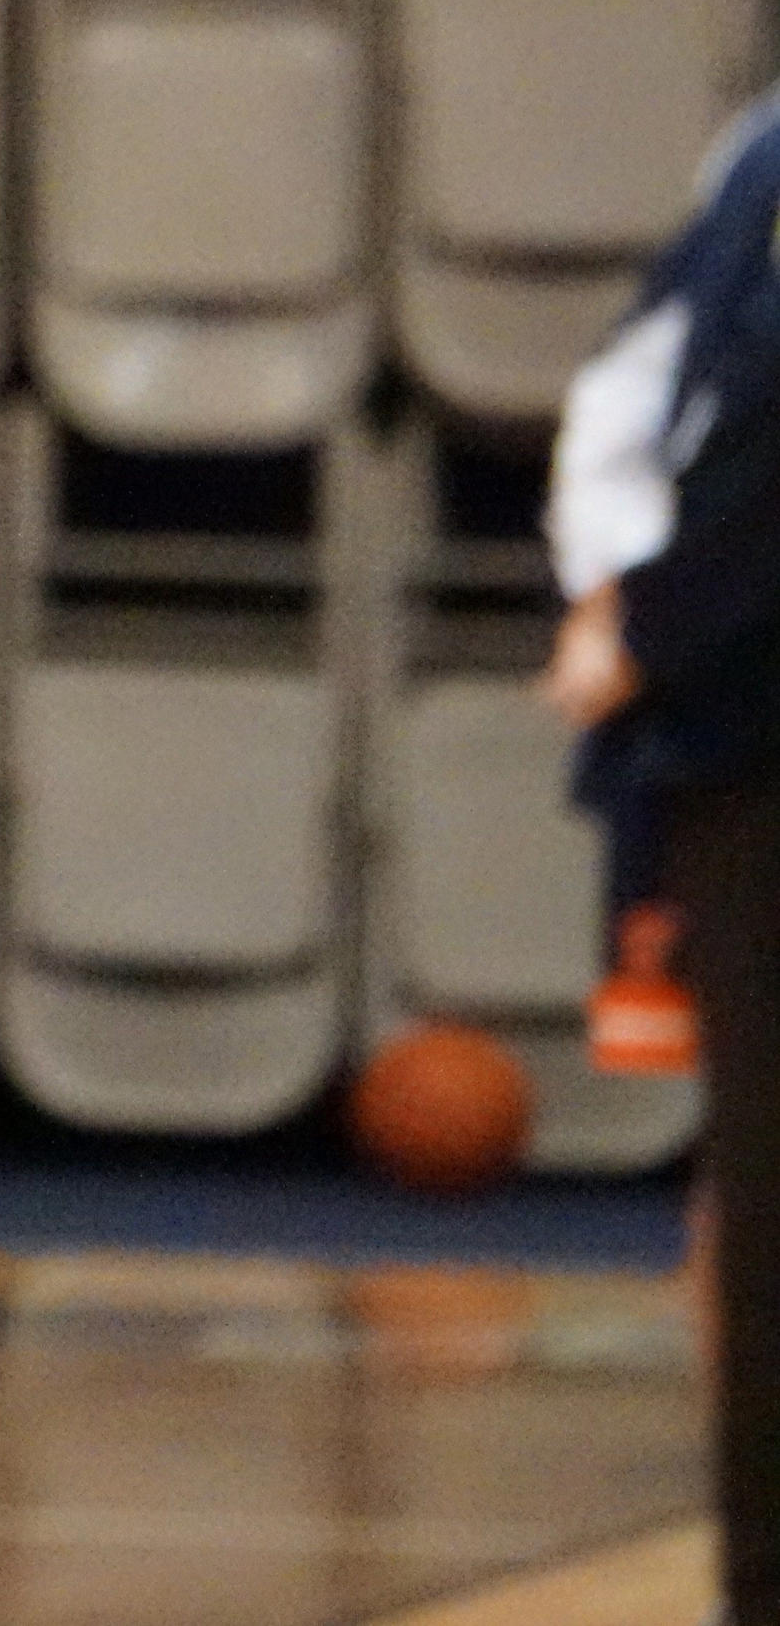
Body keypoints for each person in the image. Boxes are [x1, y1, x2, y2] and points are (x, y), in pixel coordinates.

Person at [542, 84, 780, 1626]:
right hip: (728, 736)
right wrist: (622, 598)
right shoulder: (751, 158)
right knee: (739, 1192)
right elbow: (648, 401)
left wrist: (656, 624)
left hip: (743, 712)